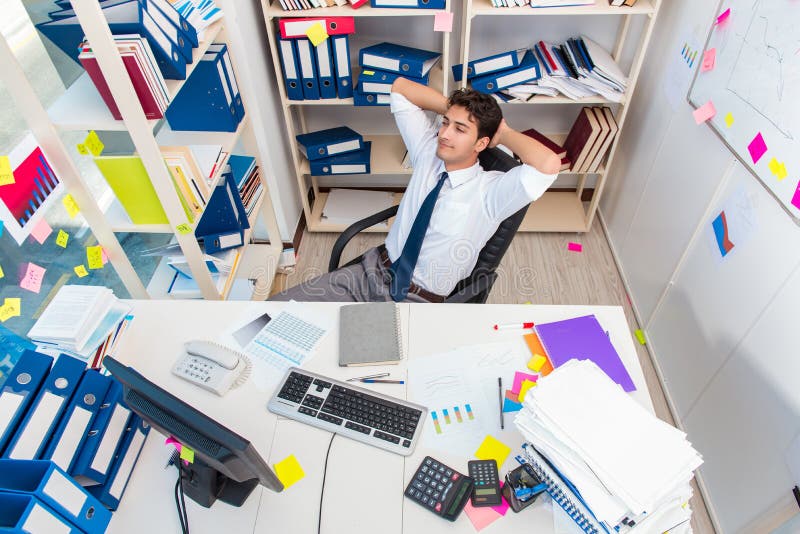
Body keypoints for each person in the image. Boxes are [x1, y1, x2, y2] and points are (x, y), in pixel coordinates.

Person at [271, 77, 561, 303]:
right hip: (369, 271)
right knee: (273, 314)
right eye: (446, 123)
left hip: (414, 299)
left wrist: (504, 132)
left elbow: (548, 164)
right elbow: (400, 89)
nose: (445, 134)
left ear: (482, 144)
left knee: (346, 357)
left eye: (460, 130)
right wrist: (454, 108)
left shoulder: (492, 192)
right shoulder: (428, 153)